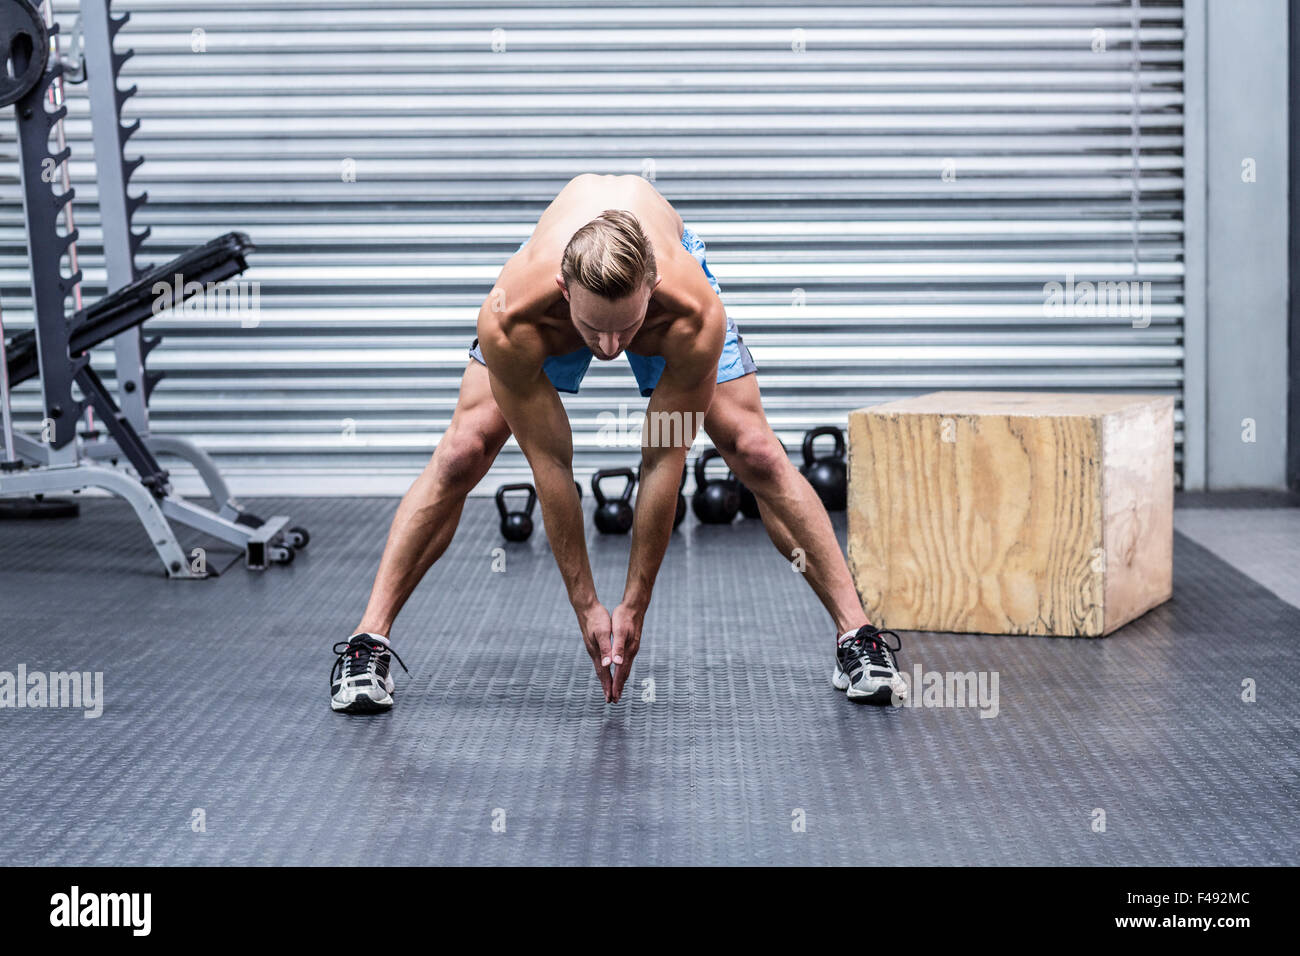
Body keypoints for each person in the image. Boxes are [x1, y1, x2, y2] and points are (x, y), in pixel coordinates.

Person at [329, 174, 906, 713]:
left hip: (655, 298)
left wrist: (634, 605)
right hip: (549, 310)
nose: (608, 348)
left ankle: (857, 634)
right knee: (462, 452)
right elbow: (551, 463)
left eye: (624, 330)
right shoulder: (511, 320)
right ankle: (368, 641)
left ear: (651, 289)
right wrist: (586, 605)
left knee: (754, 448)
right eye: (593, 330)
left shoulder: (694, 312)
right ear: (563, 289)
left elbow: (661, 460)